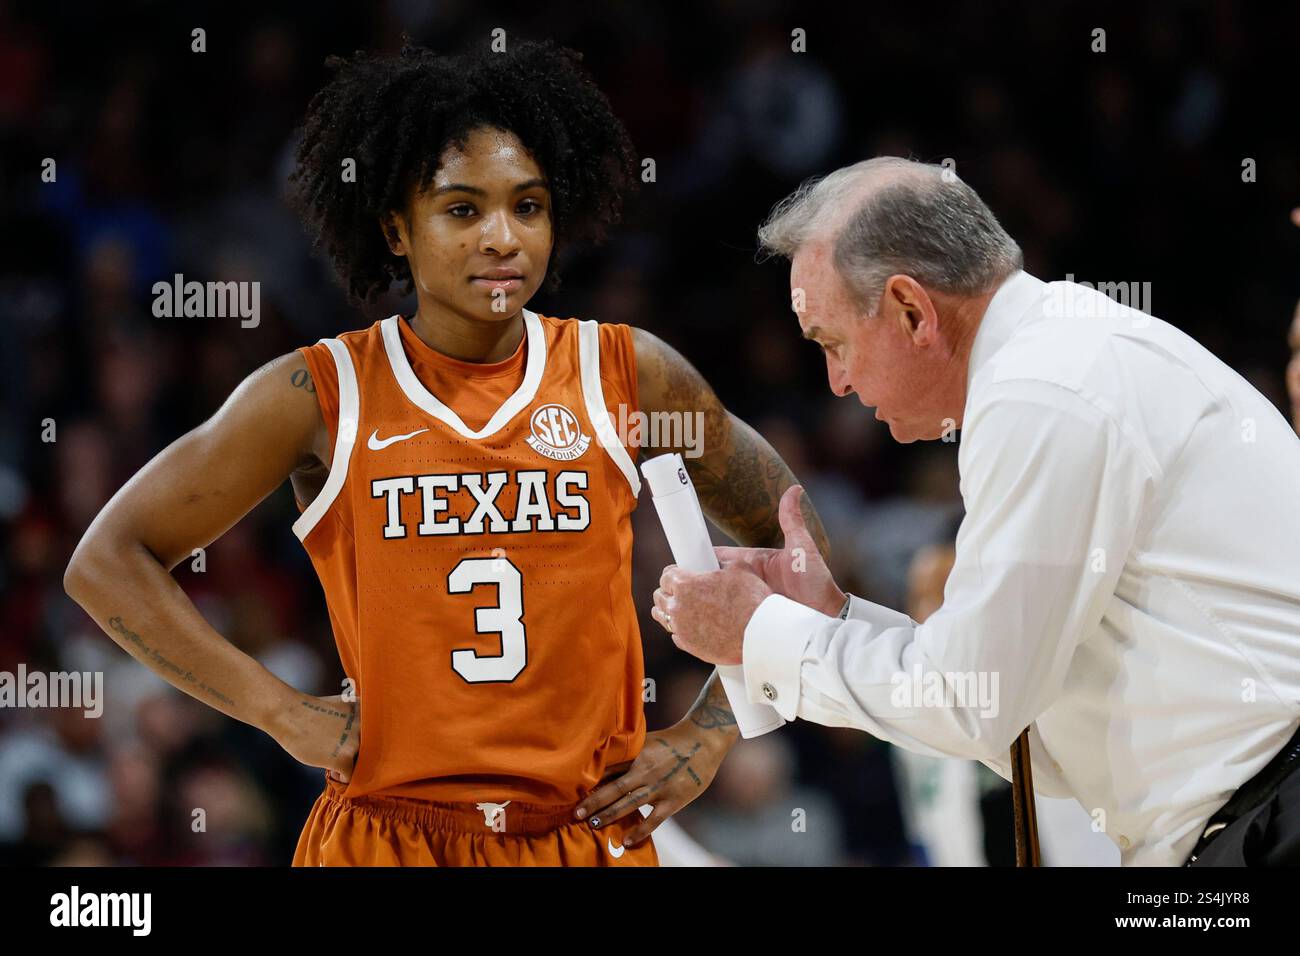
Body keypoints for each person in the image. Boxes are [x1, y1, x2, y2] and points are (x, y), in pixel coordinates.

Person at [63, 40, 829, 867]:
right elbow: (107, 562)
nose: (503, 237)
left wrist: (713, 731)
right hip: (388, 834)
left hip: (578, 832)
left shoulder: (627, 371)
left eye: (528, 207)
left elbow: (800, 547)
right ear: (396, 228)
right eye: (463, 210)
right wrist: (279, 710)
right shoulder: (319, 393)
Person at [653, 156, 1300, 866]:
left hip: (1273, 818)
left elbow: (970, 704)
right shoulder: (1053, 359)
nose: (836, 382)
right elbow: (1012, 718)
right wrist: (831, 619)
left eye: (834, 344)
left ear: (911, 310)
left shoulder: (1041, 391)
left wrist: (760, 631)